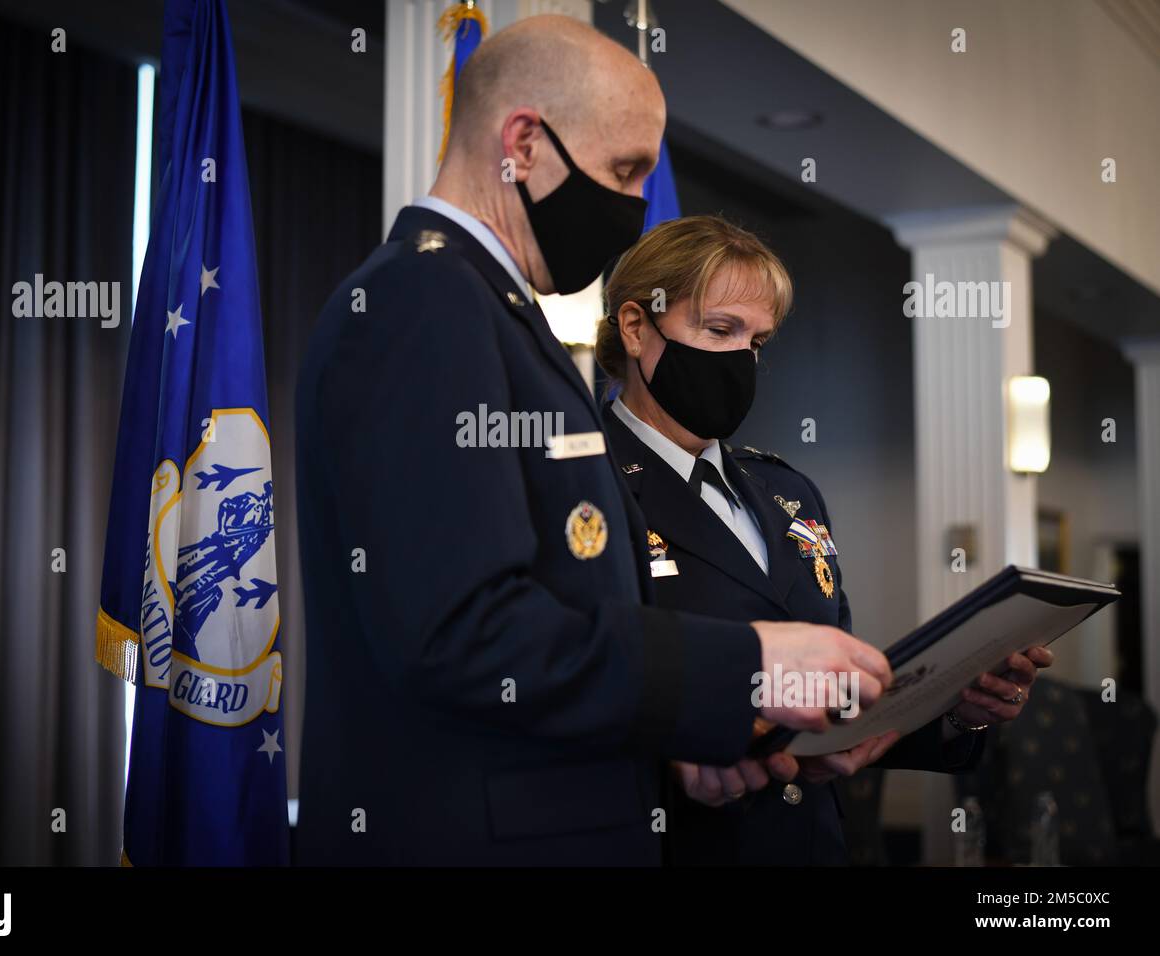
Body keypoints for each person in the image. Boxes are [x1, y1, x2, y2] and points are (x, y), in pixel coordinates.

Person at [293, 17, 894, 865]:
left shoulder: (492, 314)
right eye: (624, 170)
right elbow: (463, 633)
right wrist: (747, 664)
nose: (639, 205)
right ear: (524, 144)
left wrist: (692, 735)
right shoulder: (422, 304)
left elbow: (558, 621)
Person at [596, 215, 1053, 865]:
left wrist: (958, 705)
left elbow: (835, 701)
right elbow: (565, 674)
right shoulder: (582, 482)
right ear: (638, 327)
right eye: (721, 329)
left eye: (757, 342)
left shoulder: (790, 494)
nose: (740, 360)